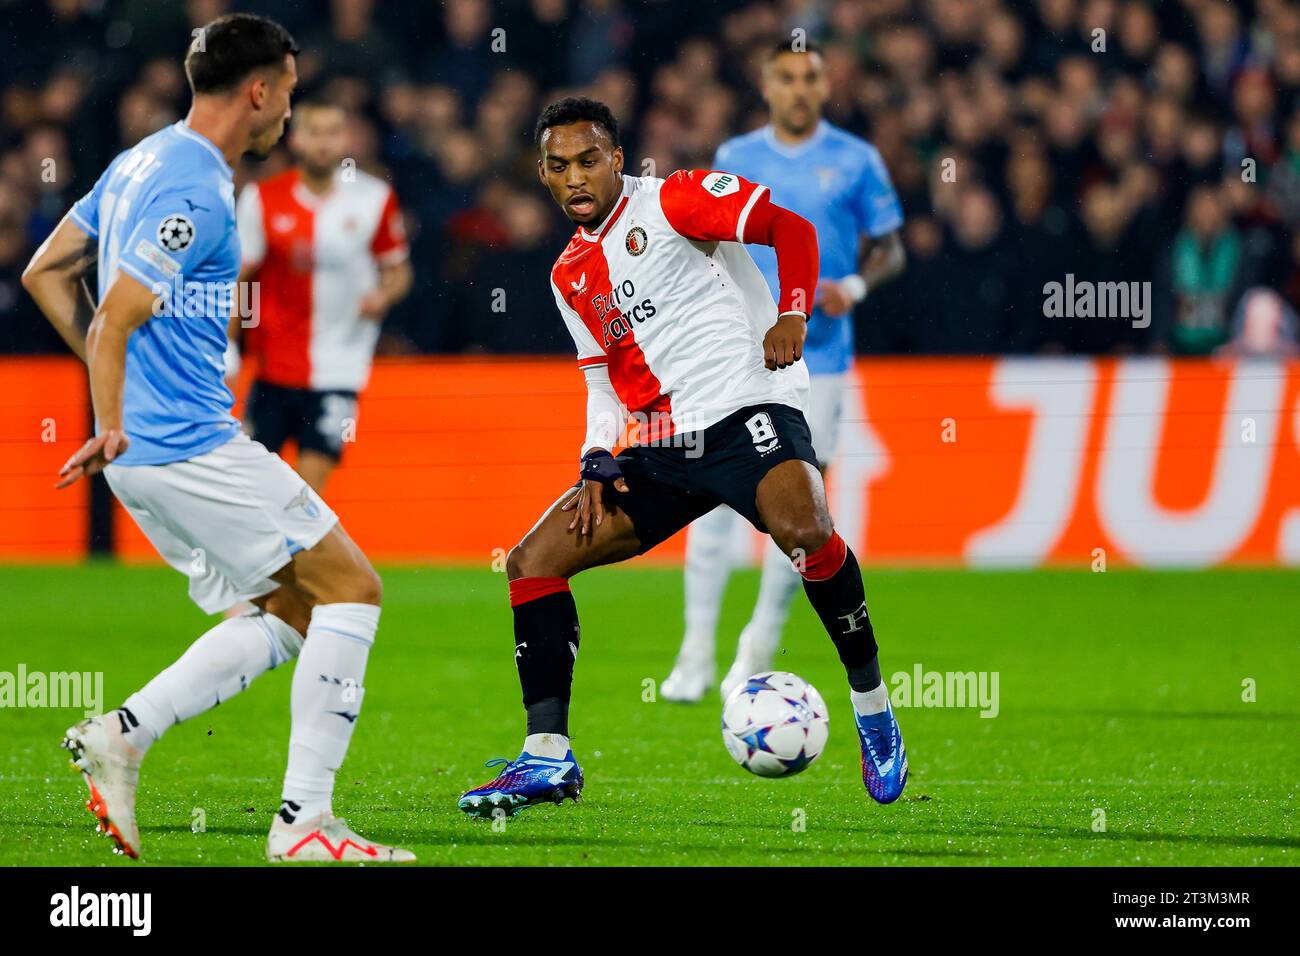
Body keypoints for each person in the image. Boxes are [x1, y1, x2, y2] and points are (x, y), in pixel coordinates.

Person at [21, 14, 412, 863]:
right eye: (289, 99)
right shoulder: (195, 189)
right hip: (185, 445)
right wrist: (115, 415)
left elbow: (46, 271)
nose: (288, 119)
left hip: (157, 452)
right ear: (260, 91)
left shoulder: (139, 160)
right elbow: (118, 315)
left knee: (290, 609)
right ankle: (304, 824)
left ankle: (124, 734)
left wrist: (116, 395)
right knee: (355, 587)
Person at [457, 97, 908, 818]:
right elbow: (601, 377)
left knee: (808, 533)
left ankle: (873, 708)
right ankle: (546, 758)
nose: (577, 177)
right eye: (559, 165)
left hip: (747, 409)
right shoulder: (568, 274)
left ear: (617, 159)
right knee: (532, 561)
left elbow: (787, 228)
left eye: (589, 160)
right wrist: (597, 454)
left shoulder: (674, 200)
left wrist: (794, 312)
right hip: (664, 445)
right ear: (541, 174)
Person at [661, 41, 907, 702]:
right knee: (710, 504)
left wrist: (853, 286)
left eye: (810, 78)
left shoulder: (856, 160)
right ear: (767, 87)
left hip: (819, 362)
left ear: (825, 87)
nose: (799, 89)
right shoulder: (737, 158)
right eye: (787, 78)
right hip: (733, 357)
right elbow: (704, 244)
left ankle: (755, 651)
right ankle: (693, 654)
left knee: (796, 511)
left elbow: (891, 247)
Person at [234, 96, 412, 492]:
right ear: (295, 140)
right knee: (254, 487)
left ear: (345, 139)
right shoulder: (262, 200)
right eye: (314, 133)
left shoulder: (373, 200)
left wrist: (384, 295)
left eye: (333, 133)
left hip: (340, 367)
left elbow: (398, 270)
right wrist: (230, 342)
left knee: (307, 495)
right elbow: (239, 279)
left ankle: (291, 549)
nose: (324, 143)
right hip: (272, 366)